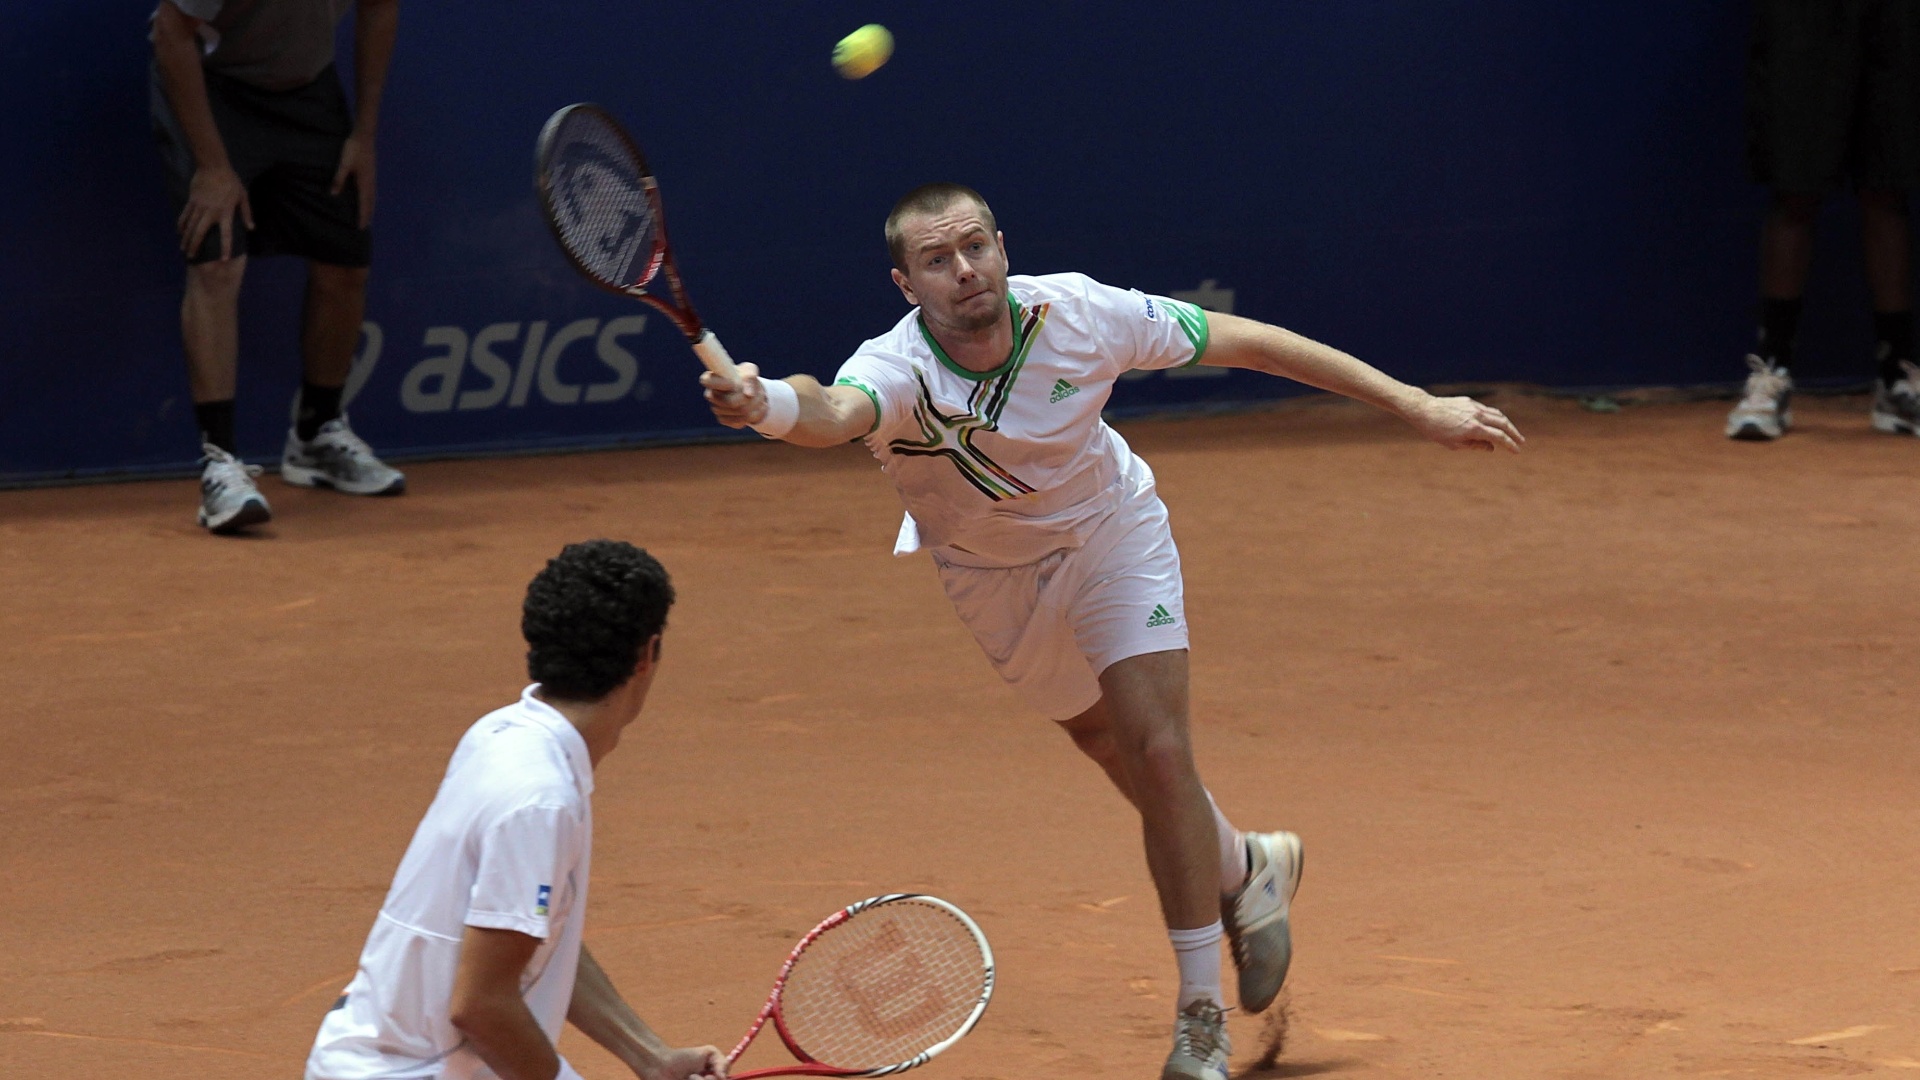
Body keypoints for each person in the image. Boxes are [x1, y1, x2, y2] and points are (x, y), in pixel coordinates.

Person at [699, 183, 1524, 1080]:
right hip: (988, 574)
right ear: (907, 284)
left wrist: (1412, 403)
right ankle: (1246, 867)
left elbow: (1245, 341)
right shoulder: (895, 369)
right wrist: (767, 405)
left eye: (976, 246)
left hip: (1111, 535)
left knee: (1158, 749)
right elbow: (830, 410)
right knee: (1105, 746)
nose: (965, 270)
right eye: (938, 260)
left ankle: (1197, 1014)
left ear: (1003, 246)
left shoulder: (1082, 312)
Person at [305, 540, 726, 1080]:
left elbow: (527, 939)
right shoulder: (540, 801)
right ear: (646, 655)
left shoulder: (501, 735)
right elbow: (481, 1007)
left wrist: (650, 1056)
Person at [150, 0, 407, 535]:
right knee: (218, 259)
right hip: (211, 84)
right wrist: (214, 167)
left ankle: (317, 435)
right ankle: (220, 463)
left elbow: (379, 9)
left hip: (307, 92)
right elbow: (171, 32)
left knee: (345, 262)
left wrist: (364, 135)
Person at [1728, 0, 1920, 441]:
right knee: (1795, 186)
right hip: (1803, 18)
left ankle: (1897, 379)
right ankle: (1771, 371)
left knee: (1888, 186)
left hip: (1896, 17)